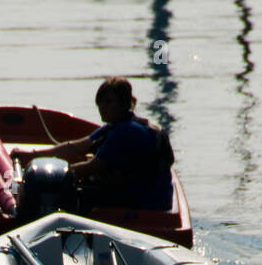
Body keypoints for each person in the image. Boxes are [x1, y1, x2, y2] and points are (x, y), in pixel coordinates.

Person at [14, 78, 174, 210]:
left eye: (109, 102)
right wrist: (30, 156)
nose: (102, 108)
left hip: (149, 202)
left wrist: (43, 177)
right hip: (141, 193)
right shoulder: (115, 126)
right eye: (101, 103)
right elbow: (75, 147)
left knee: (64, 195)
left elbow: (90, 168)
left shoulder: (127, 131)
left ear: (124, 104)